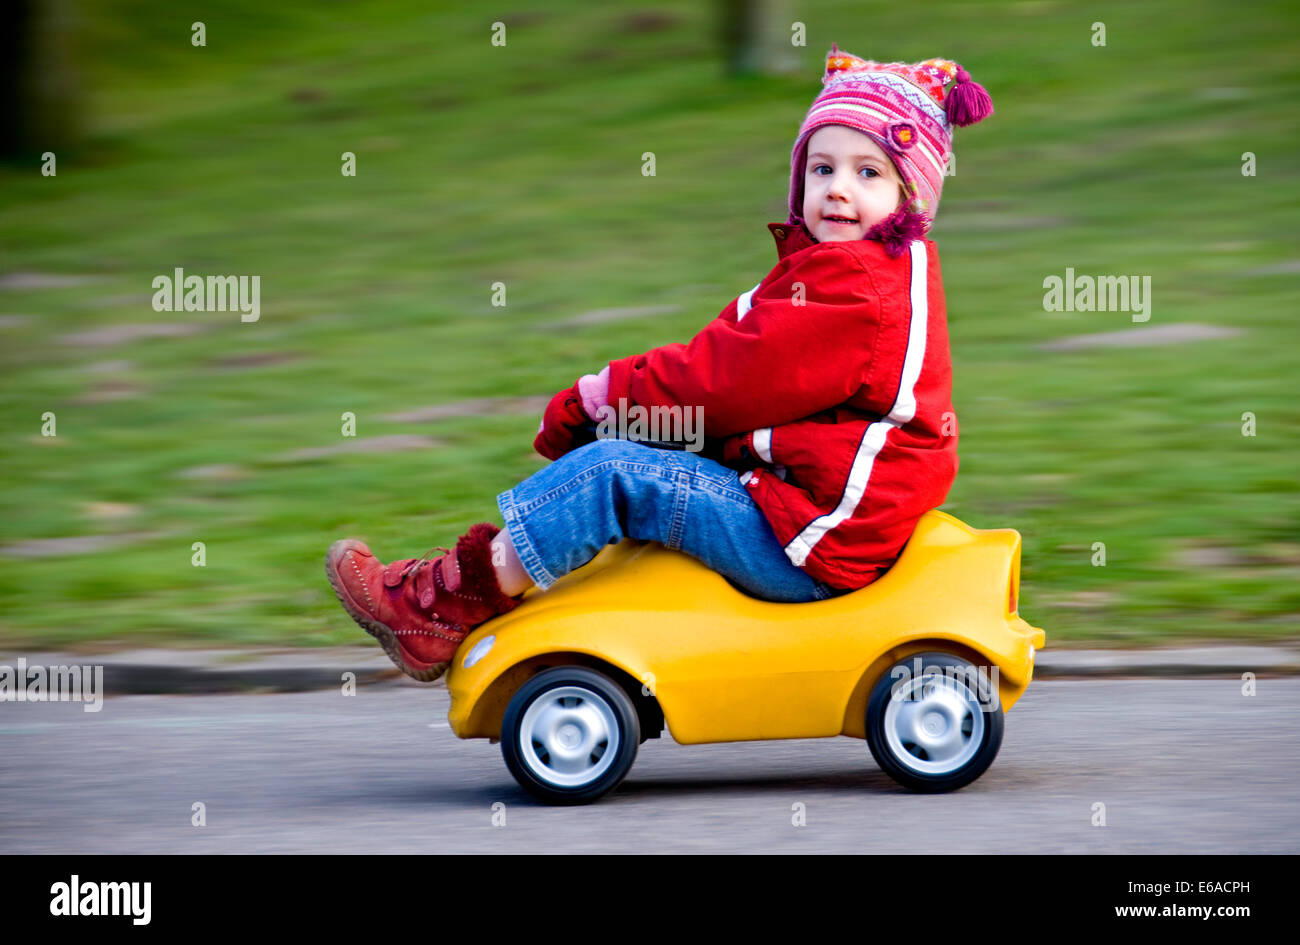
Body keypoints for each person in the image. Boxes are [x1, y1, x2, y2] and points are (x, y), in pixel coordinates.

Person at [325, 45, 994, 682]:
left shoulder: (854, 288)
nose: (838, 190)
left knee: (614, 474)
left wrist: (603, 399)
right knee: (629, 454)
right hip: (807, 506)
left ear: (912, 198)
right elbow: (747, 397)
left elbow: (722, 381)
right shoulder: (864, 271)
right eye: (822, 169)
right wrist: (638, 420)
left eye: (867, 172)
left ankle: (438, 610)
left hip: (807, 538)